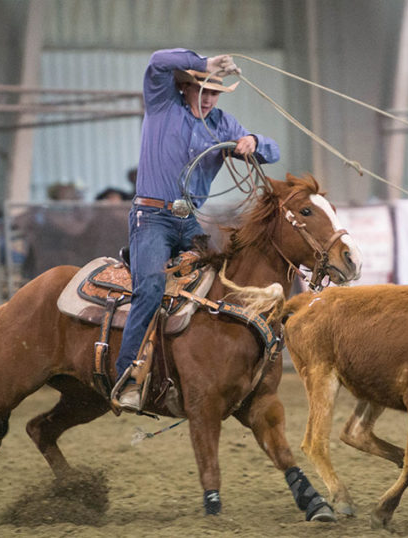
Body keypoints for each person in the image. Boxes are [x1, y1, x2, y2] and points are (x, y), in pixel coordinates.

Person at [115, 49, 280, 411]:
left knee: (222, 277)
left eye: (214, 92)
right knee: (152, 287)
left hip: (189, 220)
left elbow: (273, 151)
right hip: (151, 217)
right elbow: (158, 59)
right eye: (202, 89)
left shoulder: (223, 124)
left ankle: (207, 367)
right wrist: (203, 61)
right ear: (185, 89)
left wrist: (254, 141)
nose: (208, 99)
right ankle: (126, 375)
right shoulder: (162, 105)